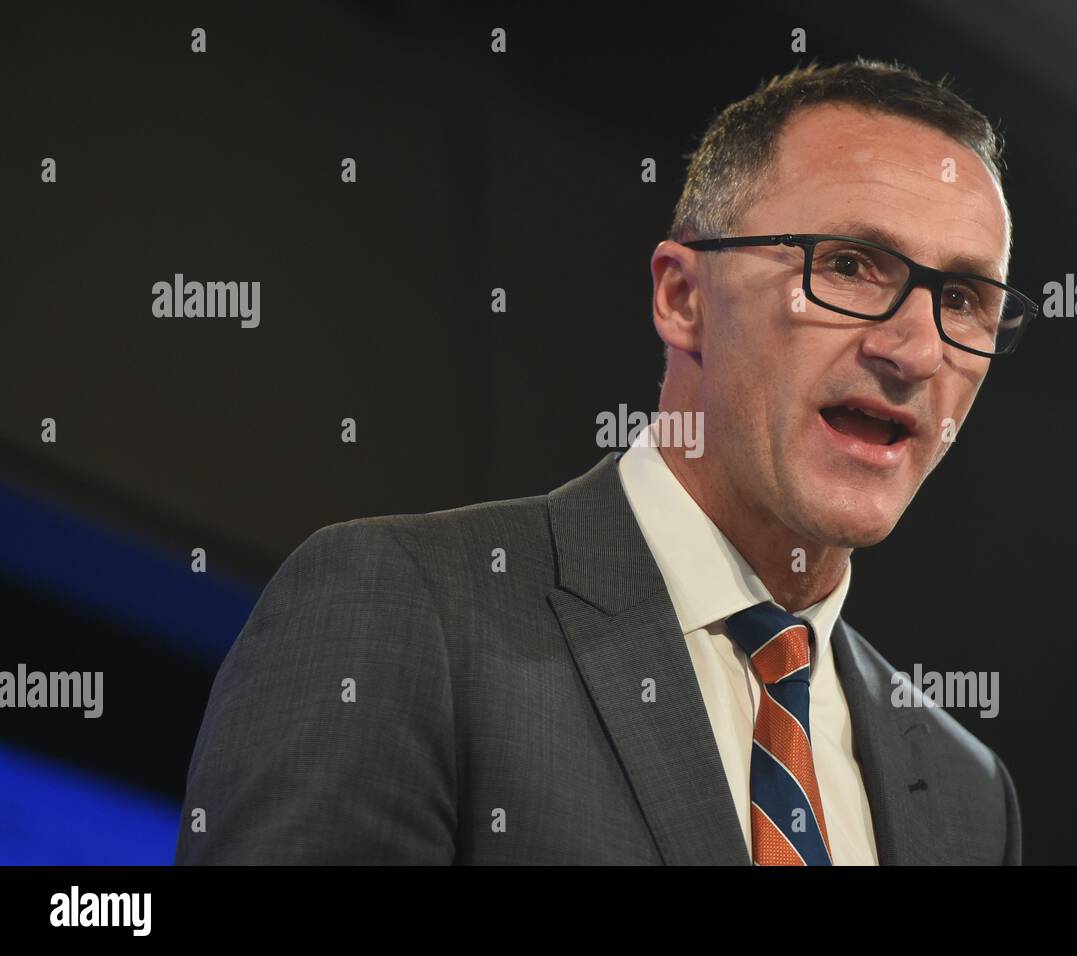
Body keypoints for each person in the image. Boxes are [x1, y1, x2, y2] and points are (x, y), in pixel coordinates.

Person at [176, 58, 1032, 866]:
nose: (916, 348)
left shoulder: (967, 798)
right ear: (683, 297)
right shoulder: (402, 609)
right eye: (848, 265)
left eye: (964, 300)